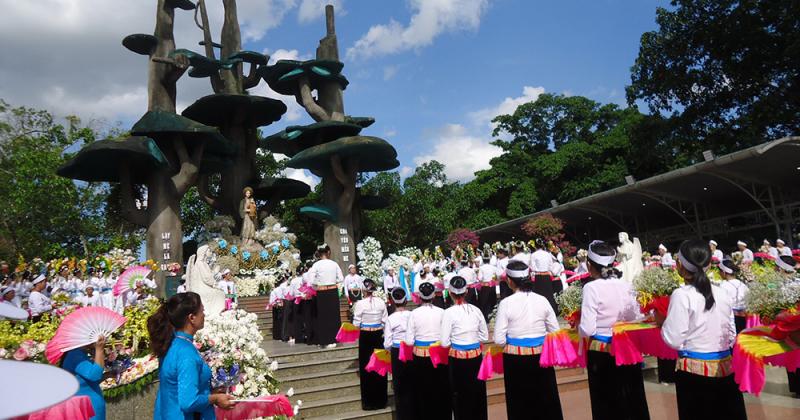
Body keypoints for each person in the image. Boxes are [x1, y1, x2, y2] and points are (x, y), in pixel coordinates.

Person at [660, 239, 746, 420]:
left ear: (679, 265)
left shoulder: (681, 295)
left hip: (694, 375)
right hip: (725, 368)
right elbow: (731, 333)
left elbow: (673, 339)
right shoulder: (722, 292)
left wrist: (662, 323)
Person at [580, 240, 650, 420]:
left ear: (589, 264)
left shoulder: (591, 288)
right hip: (627, 348)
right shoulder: (626, 284)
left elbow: (587, 329)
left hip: (602, 352)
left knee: (606, 401)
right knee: (632, 397)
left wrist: (577, 328)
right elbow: (635, 317)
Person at [148, 292, 236, 419]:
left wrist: (208, 392)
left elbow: (176, 387)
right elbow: (188, 402)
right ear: (192, 318)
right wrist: (215, 398)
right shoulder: (186, 352)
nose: (204, 315)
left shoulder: (170, 343)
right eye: (202, 311)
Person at [494, 260, 563, 420]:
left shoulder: (506, 303)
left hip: (515, 359)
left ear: (509, 281)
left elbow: (499, 340)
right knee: (547, 400)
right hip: (542, 357)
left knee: (520, 404)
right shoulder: (542, 300)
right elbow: (555, 331)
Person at [441, 276, 488, 420]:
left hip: (457, 360)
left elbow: (444, 342)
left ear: (450, 292)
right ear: (466, 291)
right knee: (478, 394)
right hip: (476, 357)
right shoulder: (476, 310)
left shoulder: (448, 313)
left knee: (460, 395)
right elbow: (484, 337)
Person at [405, 282, 451, 419]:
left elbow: (408, 341)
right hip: (440, 354)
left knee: (423, 391)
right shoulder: (442, 312)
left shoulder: (414, 314)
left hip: (420, 355)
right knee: (441, 389)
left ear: (419, 296)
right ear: (433, 295)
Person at [352, 278, 389, 410]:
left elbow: (356, 322)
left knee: (366, 367)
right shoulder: (380, 302)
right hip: (378, 334)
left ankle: (369, 402)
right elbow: (385, 320)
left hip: (366, 336)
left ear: (363, 290)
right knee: (379, 367)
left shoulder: (360, 304)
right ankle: (381, 401)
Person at [383, 288, 413, 420]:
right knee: (412, 381)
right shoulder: (412, 315)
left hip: (396, 350)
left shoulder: (391, 318)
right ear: (406, 300)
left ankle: (402, 415)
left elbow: (387, 342)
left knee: (399, 384)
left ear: (392, 301)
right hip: (411, 349)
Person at [61, 336, 108, 419]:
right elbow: (94, 375)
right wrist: (99, 349)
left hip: (90, 407)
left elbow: (88, 382)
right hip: (86, 409)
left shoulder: (80, 353)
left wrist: (108, 375)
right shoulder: (74, 354)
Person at [308, 244, 344, 348]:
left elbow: (310, 281)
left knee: (322, 316)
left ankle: (324, 340)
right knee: (334, 315)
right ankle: (334, 339)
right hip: (332, 291)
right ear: (328, 252)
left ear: (319, 253)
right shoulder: (334, 264)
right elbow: (341, 278)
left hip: (321, 292)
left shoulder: (316, 265)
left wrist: (317, 285)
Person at [718, 259, 749, 333]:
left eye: (719, 271)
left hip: (729, 318)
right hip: (744, 319)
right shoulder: (743, 285)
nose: (719, 273)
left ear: (724, 272)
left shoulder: (723, 286)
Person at [530, 239, 559, 313]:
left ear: (535, 246)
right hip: (547, 276)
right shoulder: (547, 254)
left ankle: (540, 312)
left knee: (539, 296)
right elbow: (551, 266)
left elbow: (532, 267)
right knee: (549, 295)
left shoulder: (533, 255)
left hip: (538, 276)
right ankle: (553, 311)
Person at [476, 253, 498, 322]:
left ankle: (485, 318)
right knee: (492, 301)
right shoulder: (493, 267)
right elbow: (496, 277)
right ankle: (492, 317)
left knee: (484, 303)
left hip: (485, 287)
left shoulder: (481, 268)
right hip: (492, 286)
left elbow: (480, 278)